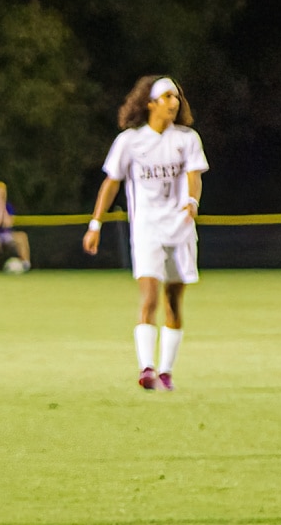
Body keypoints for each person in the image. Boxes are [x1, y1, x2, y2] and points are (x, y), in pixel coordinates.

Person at [83, 76, 208, 391]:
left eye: (176, 96)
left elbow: (194, 176)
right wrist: (95, 224)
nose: (174, 101)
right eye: (167, 96)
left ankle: (166, 371)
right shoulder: (130, 141)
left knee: (174, 302)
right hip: (147, 228)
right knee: (149, 296)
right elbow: (111, 183)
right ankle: (146, 368)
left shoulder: (187, 138)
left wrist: (191, 203)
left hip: (179, 229)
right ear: (150, 103)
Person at [0, 180, 30, 273]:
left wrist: (2, 208)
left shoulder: (8, 207)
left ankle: (25, 264)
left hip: (6, 234)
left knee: (22, 236)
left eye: (1, 194)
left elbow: (8, 223)